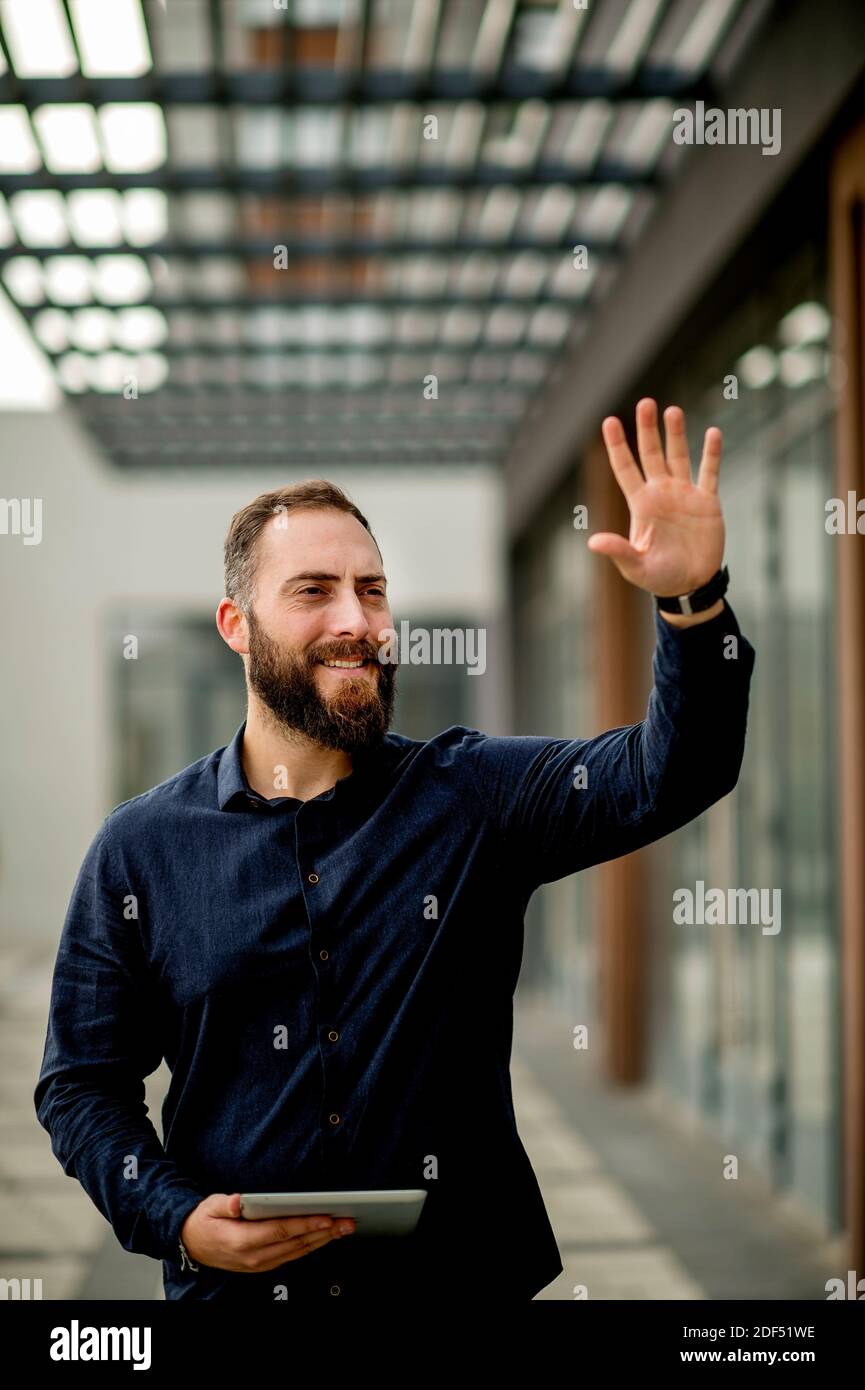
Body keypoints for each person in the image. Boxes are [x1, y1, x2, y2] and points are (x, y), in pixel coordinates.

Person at [35, 399, 755, 1302]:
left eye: (372, 590)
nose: (357, 619)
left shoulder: (471, 796)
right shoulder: (139, 849)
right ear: (234, 626)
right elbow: (80, 1087)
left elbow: (672, 772)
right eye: (313, 591)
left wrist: (692, 604)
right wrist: (173, 1216)